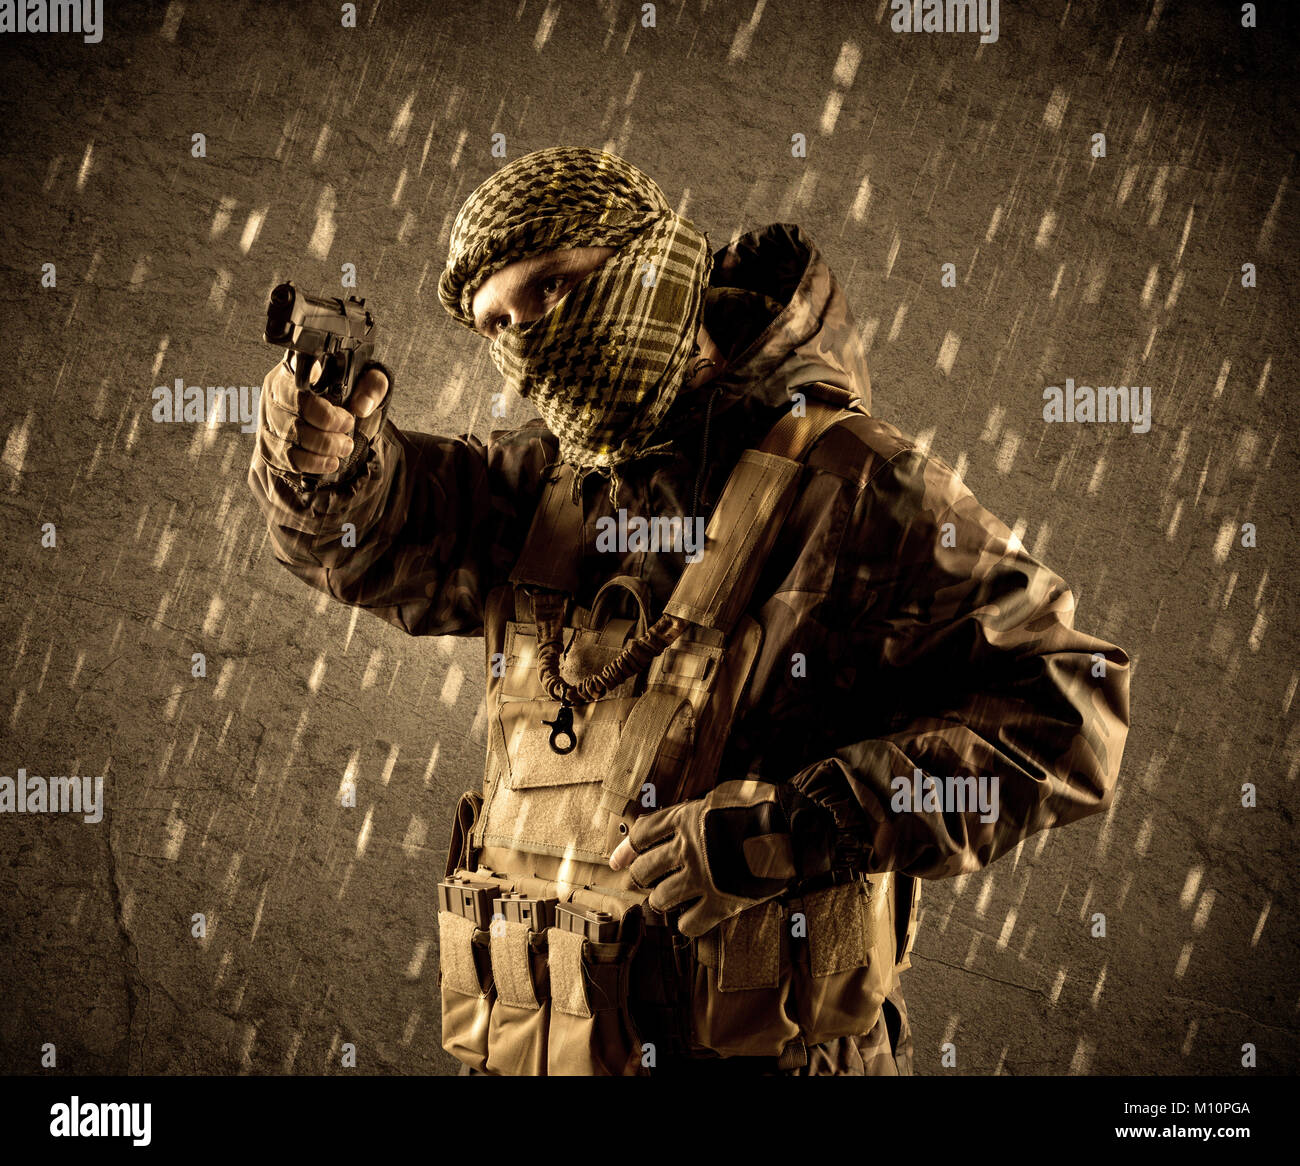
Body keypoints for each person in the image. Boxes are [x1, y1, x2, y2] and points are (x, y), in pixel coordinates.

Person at [248, 146, 1130, 1076]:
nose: (530, 339)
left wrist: (802, 826)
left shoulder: (857, 484)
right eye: (498, 322)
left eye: (552, 289)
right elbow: (384, 532)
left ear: (648, 259)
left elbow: (1073, 707)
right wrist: (328, 465)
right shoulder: (547, 486)